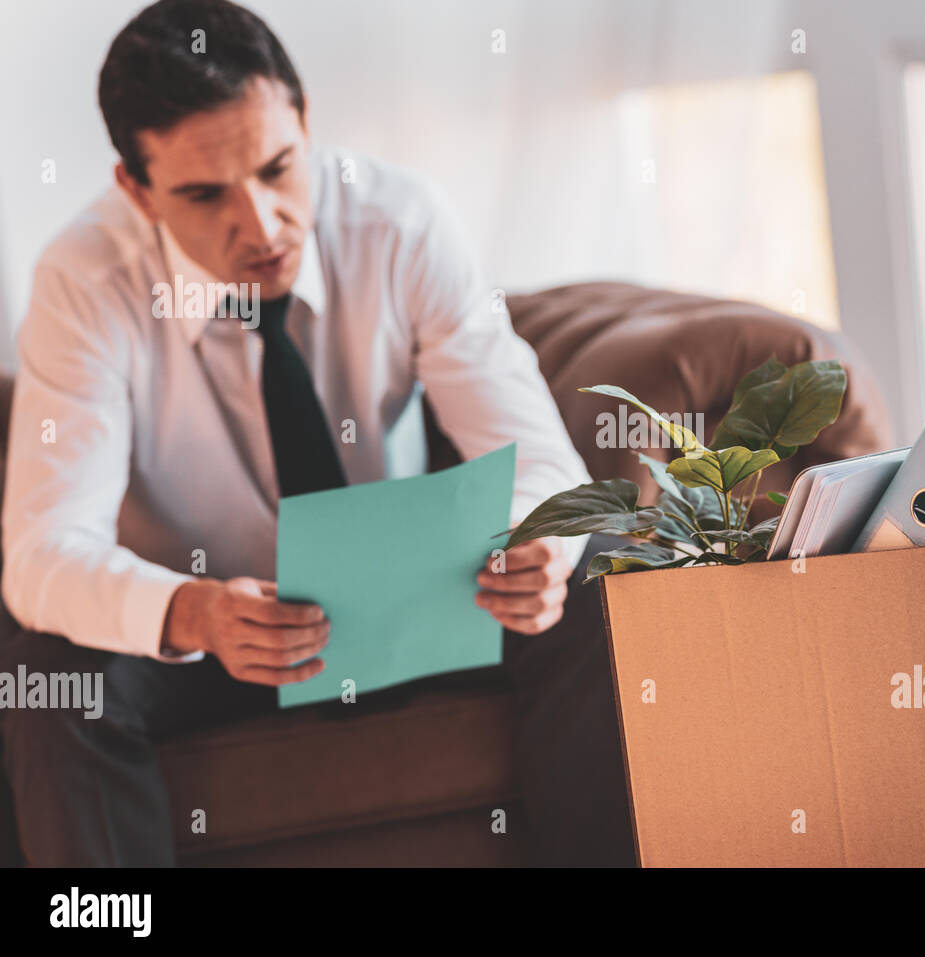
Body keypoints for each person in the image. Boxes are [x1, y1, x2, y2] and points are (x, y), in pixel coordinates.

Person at [0, 0, 633, 866]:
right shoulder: (85, 280)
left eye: (276, 166)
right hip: (212, 641)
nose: (261, 226)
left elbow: (541, 462)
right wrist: (190, 611)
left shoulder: (400, 221)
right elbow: (41, 555)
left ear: (304, 121)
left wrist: (538, 553)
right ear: (135, 190)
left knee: (593, 567)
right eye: (203, 193)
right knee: (48, 677)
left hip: (421, 606)